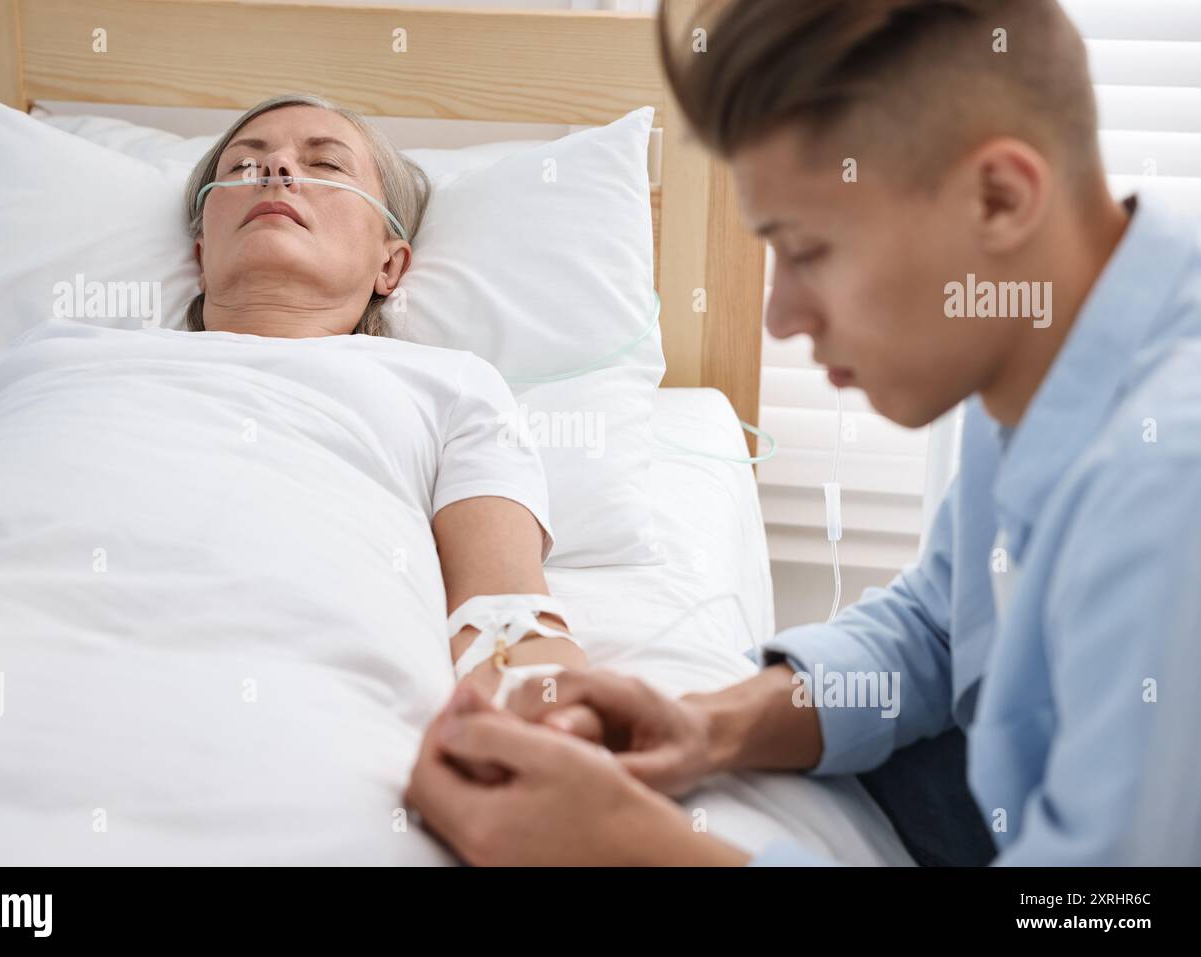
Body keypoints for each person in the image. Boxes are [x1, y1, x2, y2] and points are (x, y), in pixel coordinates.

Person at [406, 0, 1201, 866]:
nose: (780, 315)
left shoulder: (1166, 486)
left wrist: (639, 852)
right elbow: (942, 633)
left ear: (1000, 198)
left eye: (810, 250)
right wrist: (710, 722)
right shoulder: (1043, 338)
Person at [0, 94, 584, 701]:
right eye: (243, 163)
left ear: (390, 262)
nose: (278, 170)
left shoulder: (449, 385)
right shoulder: (44, 352)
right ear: (200, 250)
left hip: (280, 699)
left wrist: (558, 720)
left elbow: (506, 615)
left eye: (326, 163)